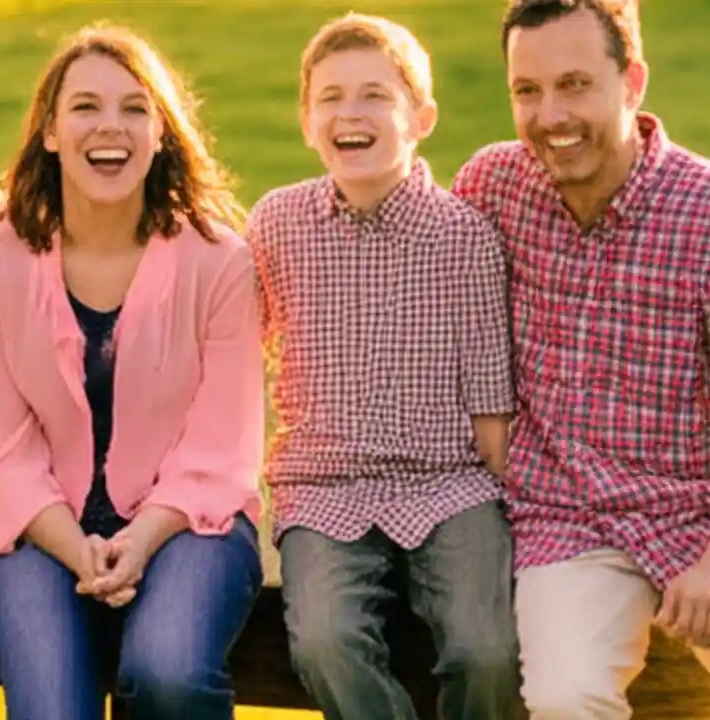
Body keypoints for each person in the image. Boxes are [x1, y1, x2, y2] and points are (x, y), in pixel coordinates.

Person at [451, 1, 710, 717]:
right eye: (527, 90)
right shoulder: (493, 187)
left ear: (632, 81)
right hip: (564, 519)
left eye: (575, 84)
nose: (549, 115)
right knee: (567, 698)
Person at [0, 24, 264, 720]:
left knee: (168, 674)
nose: (110, 127)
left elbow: (221, 445)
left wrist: (141, 537)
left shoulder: (219, 261)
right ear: (51, 132)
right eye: (86, 106)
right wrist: (80, 550)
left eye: (134, 108)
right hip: (35, 528)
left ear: (160, 134)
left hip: (191, 524)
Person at [246, 13, 523, 720]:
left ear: (421, 116)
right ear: (306, 121)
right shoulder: (277, 224)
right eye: (330, 97)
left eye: (375, 95)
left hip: (449, 484)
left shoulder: (465, 237)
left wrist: (511, 516)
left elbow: (493, 407)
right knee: (326, 641)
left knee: (486, 650)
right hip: (323, 488)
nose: (351, 113)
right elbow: (235, 351)